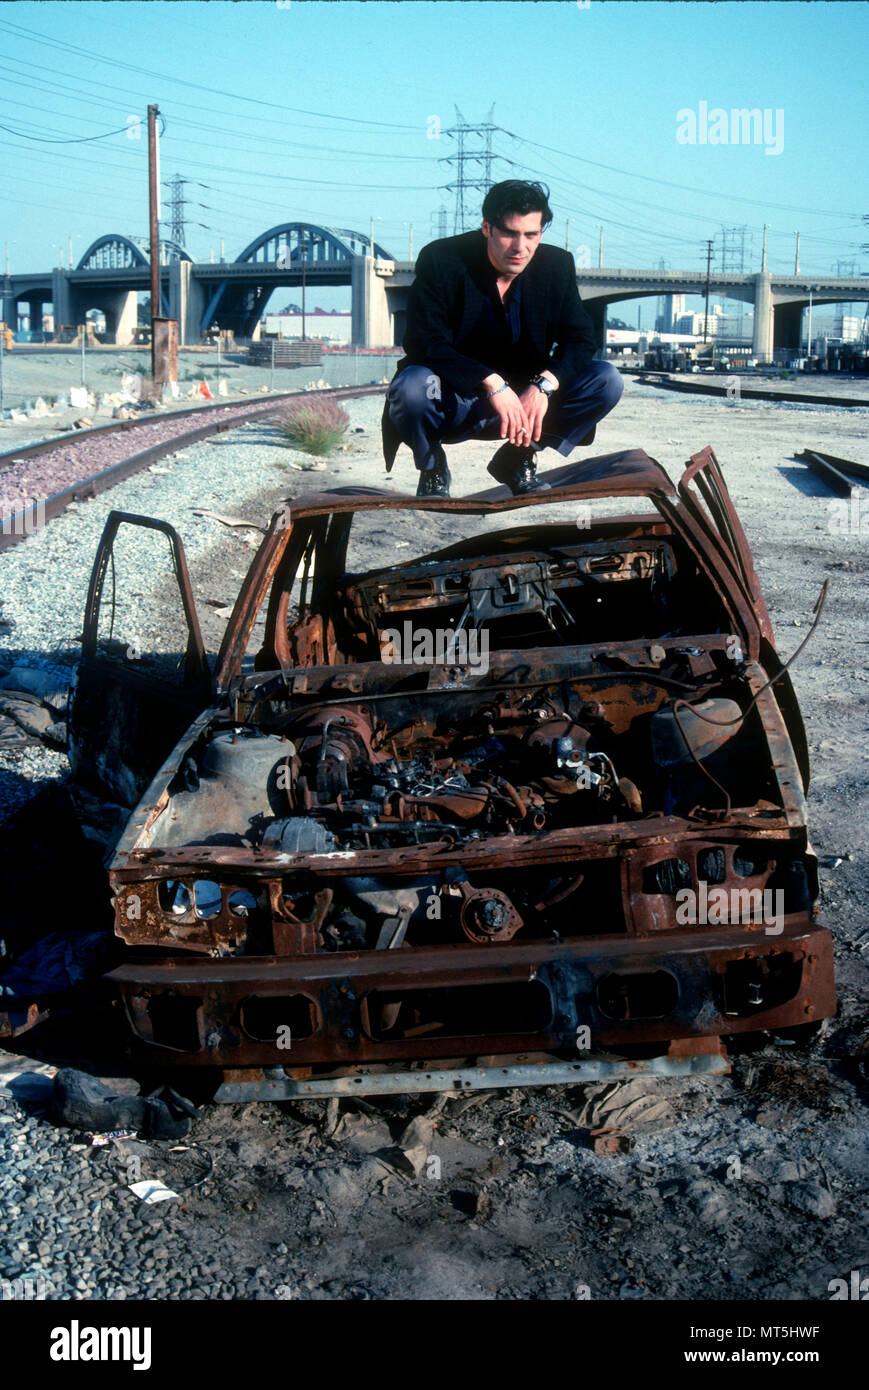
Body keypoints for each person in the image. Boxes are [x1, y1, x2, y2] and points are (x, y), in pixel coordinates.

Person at [382, 179, 623, 498]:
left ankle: (517, 458)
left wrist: (543, 386)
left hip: (524, 409)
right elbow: (424, 341)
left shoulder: (556, 265)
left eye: (531, 235)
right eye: (509, 233)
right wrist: (491, 382)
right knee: (412, 387)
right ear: (487, 228)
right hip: (452, 401)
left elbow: (580, 339)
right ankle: (432, 466)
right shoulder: (442, 260)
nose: (519, 247)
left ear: (540, 233)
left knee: (606, 379)